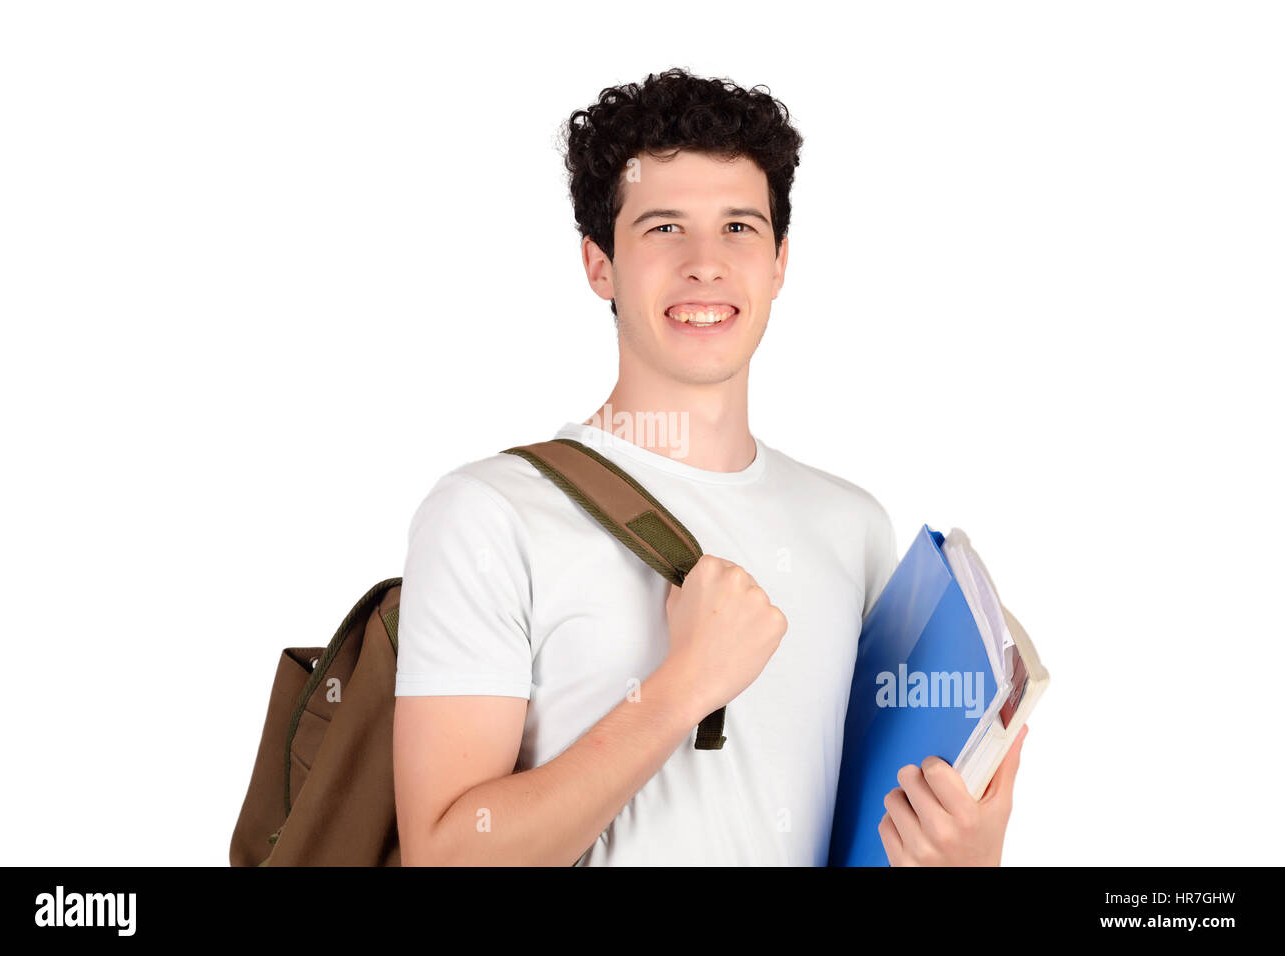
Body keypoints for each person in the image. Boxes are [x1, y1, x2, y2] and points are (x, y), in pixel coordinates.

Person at [392, 67, 1027, 866]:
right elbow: (444, 856)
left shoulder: (851, 526)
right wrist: (682, 689)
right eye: (663, 229)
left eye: (738, 228)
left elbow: (861, 831)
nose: (706, 263)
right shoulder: (488, 514)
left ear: (779, 263)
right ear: (599, 266)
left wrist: (964, 857)